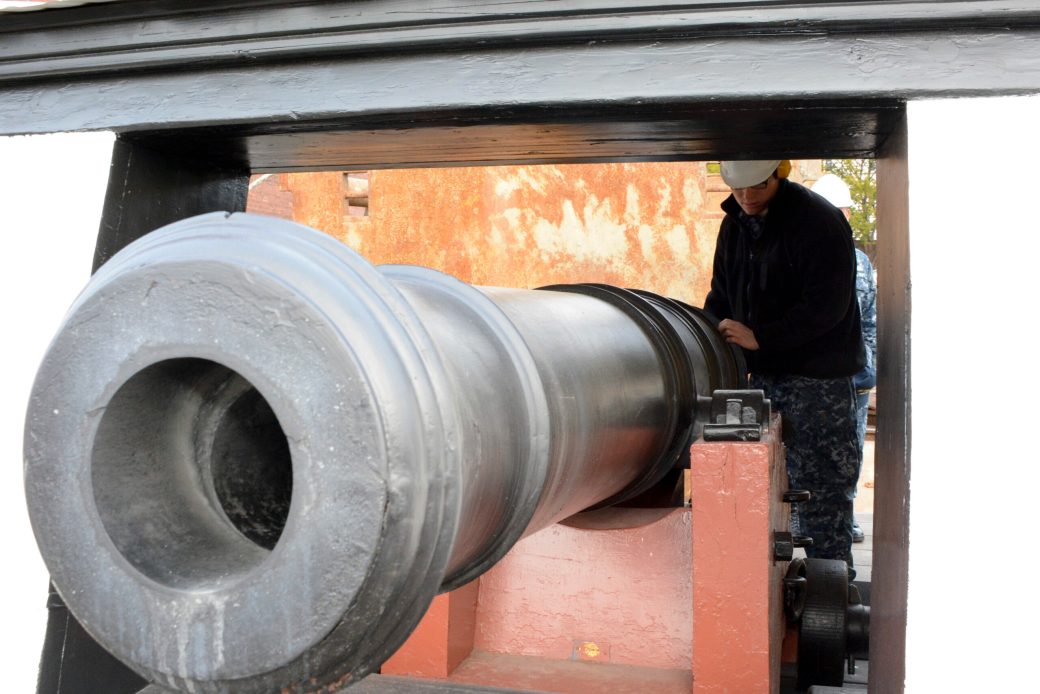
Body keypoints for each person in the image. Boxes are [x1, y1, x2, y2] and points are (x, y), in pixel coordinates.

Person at [704, 160, 865, 573]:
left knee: (822, 489)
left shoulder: (818, 221)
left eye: (757, 187)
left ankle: (832, 586)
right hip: (761, 376)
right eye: (738, 189)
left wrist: (764, 337)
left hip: (817, 380)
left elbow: (827, 306)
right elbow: (720, 294)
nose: (746, 197)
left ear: (781, 172)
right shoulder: (735, 222)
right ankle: (766, 584)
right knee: (757, 482)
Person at [811, 172, 877, 543]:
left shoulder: (861, 263)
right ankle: (805, 522)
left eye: (841, 211)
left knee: (847, 454)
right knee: (805, 453)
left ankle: (844, 518)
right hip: (813, 380)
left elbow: (871, 319)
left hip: (854, 379)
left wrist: (870, 371)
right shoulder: (802, 257)